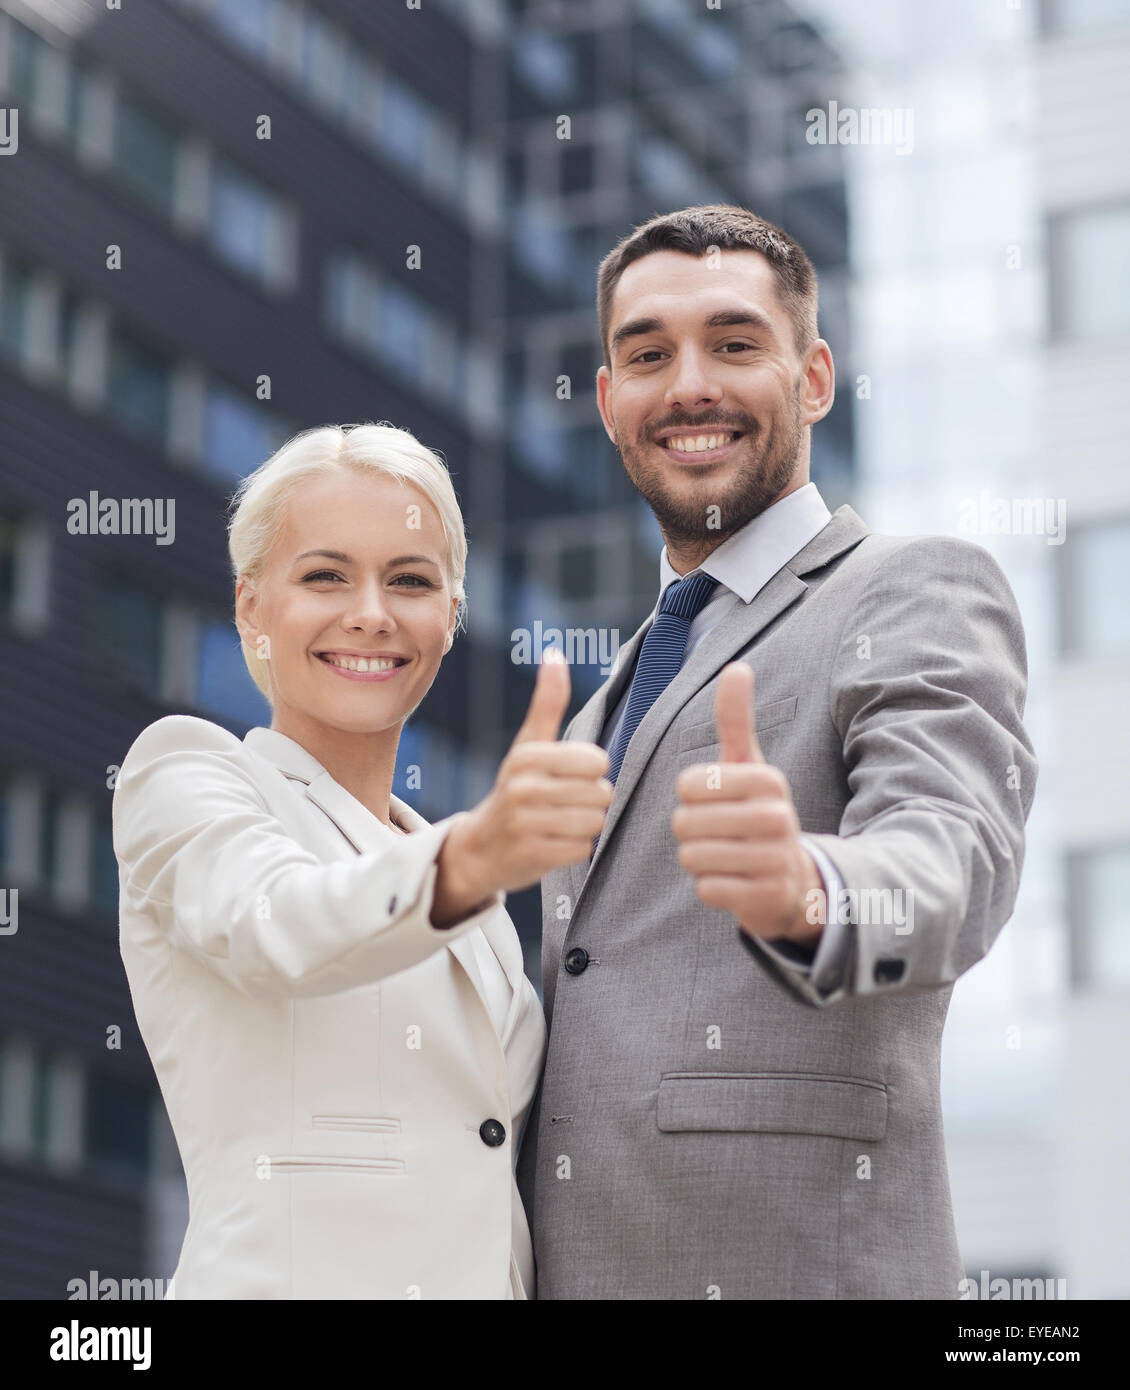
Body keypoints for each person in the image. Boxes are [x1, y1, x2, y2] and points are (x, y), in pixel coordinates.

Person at [516, 204, 1038, 1299]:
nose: (689, 384)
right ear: (610, 403)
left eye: (734, 342)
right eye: (647, 353)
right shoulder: (594, 709)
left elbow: (951, 859)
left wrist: (809, 886)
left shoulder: (911, 587)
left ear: (811, 379)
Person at [112, 422, 612, 1299]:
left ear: (451, 618)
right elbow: (279, 923)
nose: (372, 613)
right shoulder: (186, 773)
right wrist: (473, 858)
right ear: (251, 608)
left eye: (411, 581)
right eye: (324, 576)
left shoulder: (474, 897)